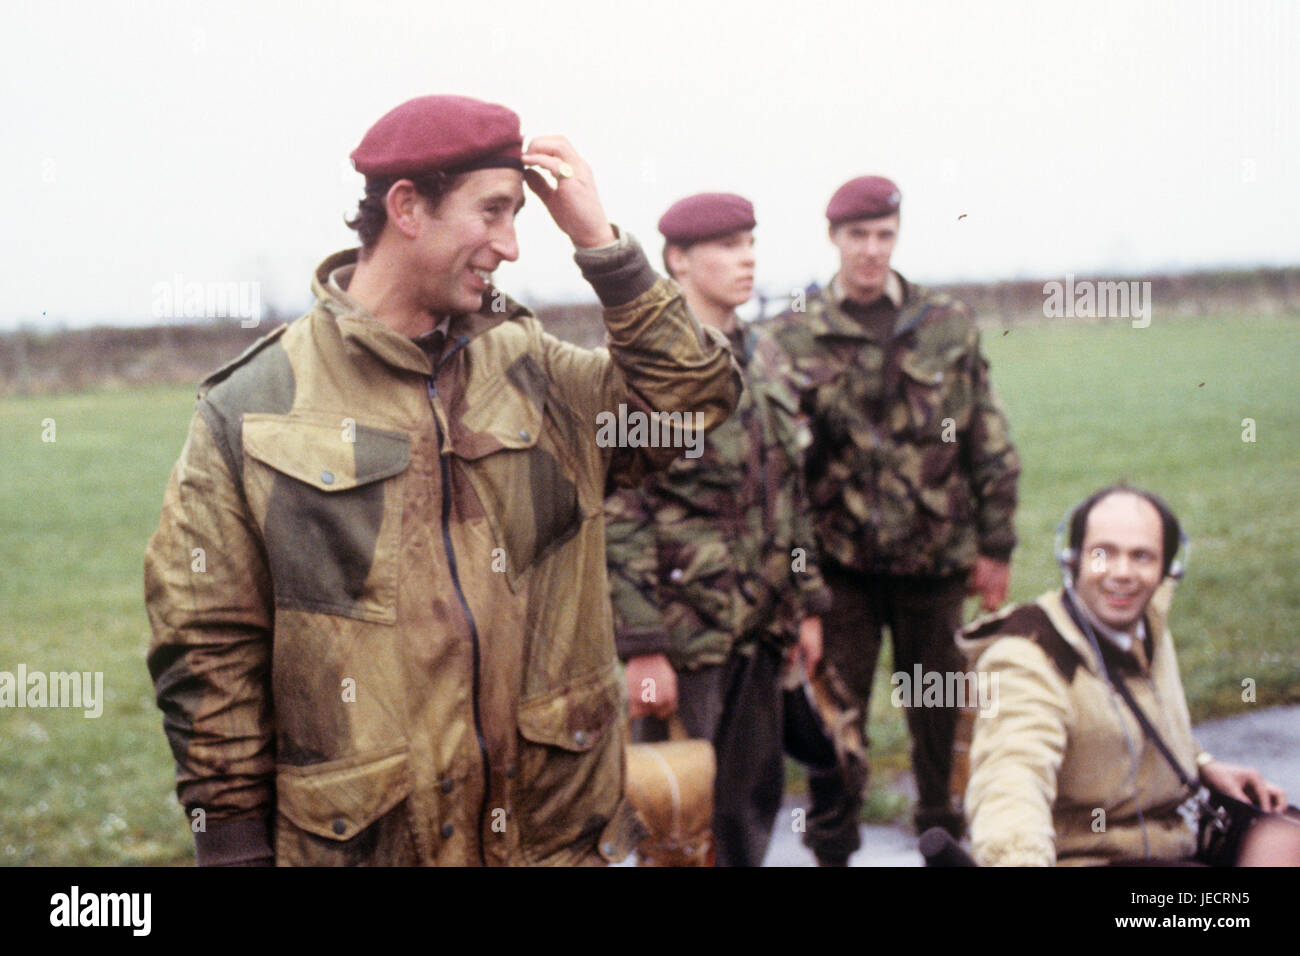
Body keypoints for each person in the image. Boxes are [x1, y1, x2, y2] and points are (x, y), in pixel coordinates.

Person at [143, 95, 740, 867]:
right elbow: (206, 643)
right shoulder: (251, 408)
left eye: (520, 214)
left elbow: (691, 403)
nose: (513, 246)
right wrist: (229, 847)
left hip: (555, 843)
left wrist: (602, 244)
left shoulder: (538, 372)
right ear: (406, 208)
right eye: (492, 212)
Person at [764, 175, 1021, 863]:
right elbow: (778, 467)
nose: (871, 250)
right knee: (834, 721)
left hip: (935, 563)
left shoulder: (947, 325)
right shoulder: (794, 335)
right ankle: (832, 846)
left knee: (938, 715)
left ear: (896, 236)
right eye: (858, 236)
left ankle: (941, 837)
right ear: (834, 238)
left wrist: (996, 544)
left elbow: (987, 437)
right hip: (840, 569)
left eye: (883, 235)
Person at [605, 192, 831, 866]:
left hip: (759, 627)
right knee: (674, 807)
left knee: (748, 802)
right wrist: (642, 645)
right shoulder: (641, 372)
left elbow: (788, 497)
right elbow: (618, 512)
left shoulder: (767, 361)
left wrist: (805, 606)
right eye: (728, 247)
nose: (748, 258)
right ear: (677, 260)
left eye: (751, 244)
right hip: (683, 634)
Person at [958, 485, 1289, 866]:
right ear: (1072, 560)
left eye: (1142, 556)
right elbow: (1011, 783)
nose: (1122, 573)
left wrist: (1200, 764)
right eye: (1103, 553)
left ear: (1168, 568)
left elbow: (1123, 726)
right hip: (1090, 859)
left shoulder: (1148, 626)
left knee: (1284, 839)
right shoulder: (1027, 657)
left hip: (1171, 849)